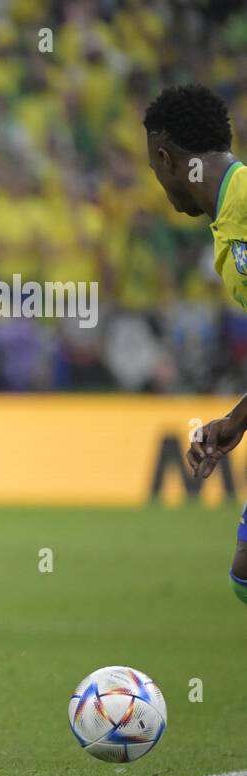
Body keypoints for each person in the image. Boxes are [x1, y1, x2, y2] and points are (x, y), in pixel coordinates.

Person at [144, 83, 247, 605]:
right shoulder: (229, 216)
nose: (159, 183)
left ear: (166, 158)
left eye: (154, 169)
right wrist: (237, 419)